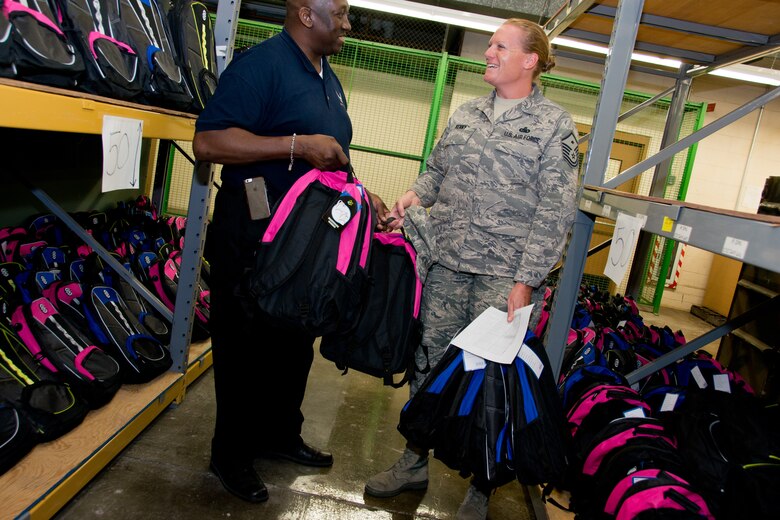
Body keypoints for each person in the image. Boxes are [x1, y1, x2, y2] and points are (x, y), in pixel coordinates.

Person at [363, 18, 579, 520]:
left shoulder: (554, 126)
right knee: (429, 363)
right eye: (489, 44)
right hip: (446, 265)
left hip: (504, 280)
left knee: (491, 382)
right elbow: (437, 171)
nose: (488, 51)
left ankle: (482, 487)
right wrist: (417, 193)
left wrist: (526, 282)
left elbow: (556, 211)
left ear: (529, 60)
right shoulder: (466, 114)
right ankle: (414, 460)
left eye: (499, 46)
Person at [193, 0, 386, 503]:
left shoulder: (329, 78)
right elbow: (209, 142)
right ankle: (229, 454)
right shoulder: (261, 66)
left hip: (303, 246)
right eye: (340, 13)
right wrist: (295, 145)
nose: (348, 23)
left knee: (294, 343)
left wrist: (362, 192)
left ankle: (279, 434)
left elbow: (333, 155)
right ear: (306, 14)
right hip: (252, 235)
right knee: (244, 348)